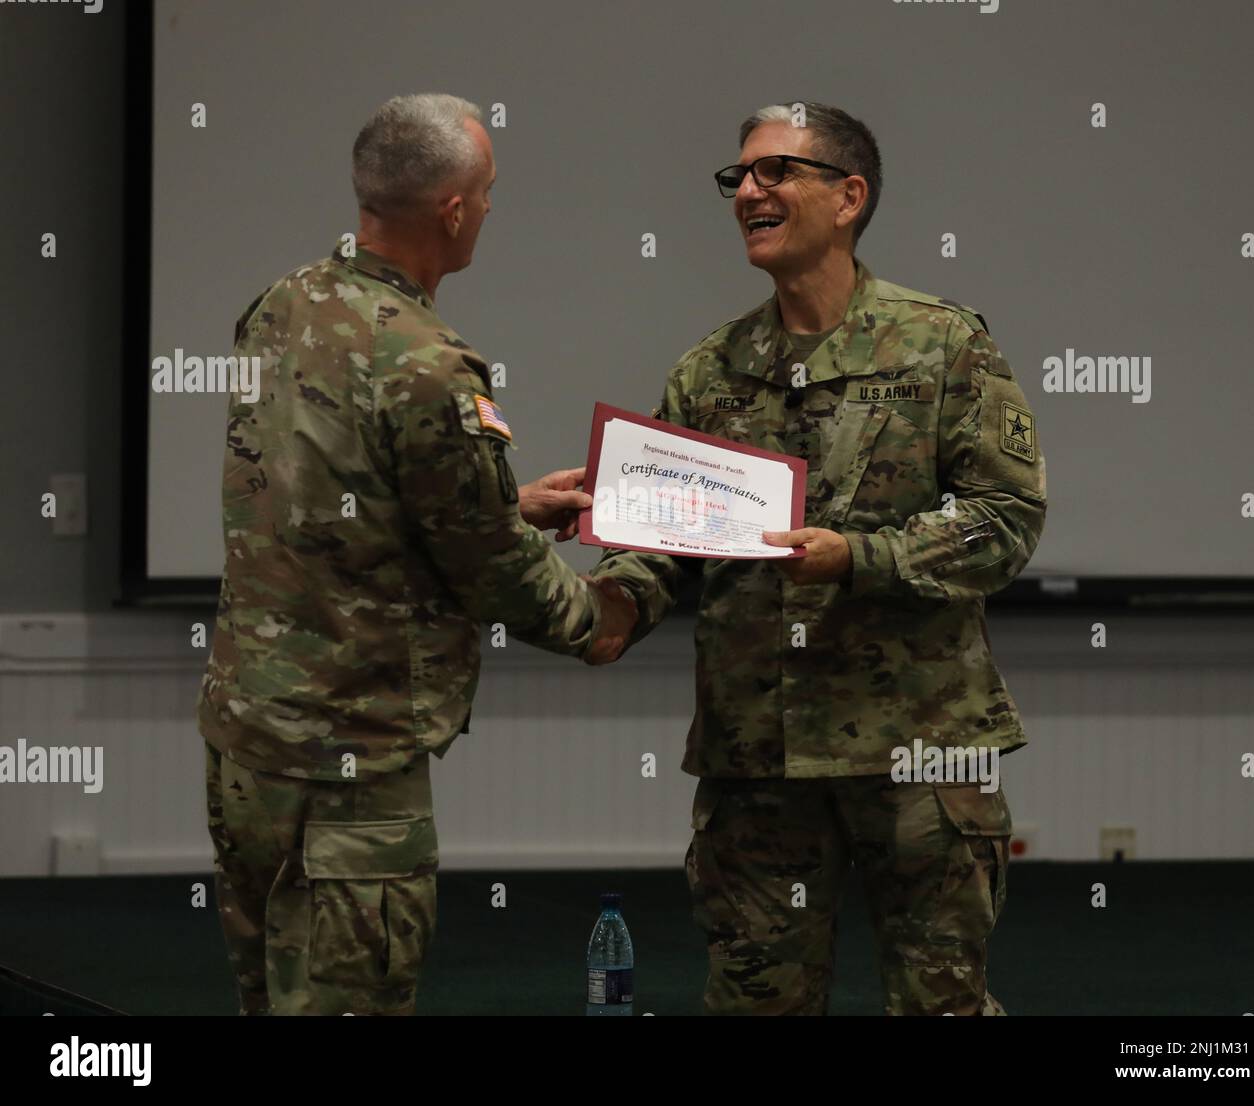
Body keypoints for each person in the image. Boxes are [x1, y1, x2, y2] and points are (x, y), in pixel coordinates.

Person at [592, 101, 1046, 1015]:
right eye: (738, 178)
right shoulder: (709, 371)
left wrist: (859, 559)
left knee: (942, 1006)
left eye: (774, 173)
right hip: (758, 764)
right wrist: (603, 605)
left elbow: (1006, 520)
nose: (747, 192)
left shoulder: (946, 344)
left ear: (849, 197)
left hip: (919, 756)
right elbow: (661, 549)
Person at [197, 92, 634, 1015]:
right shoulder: (430, 364)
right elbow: (489, 565)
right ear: (454, 210)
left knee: (266, 997)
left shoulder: (281, 306)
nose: (488, 211)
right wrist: (598, 619)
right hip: (353, 761)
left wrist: (505, 503)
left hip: (249, 744)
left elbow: (324, 503)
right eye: (490, 193)